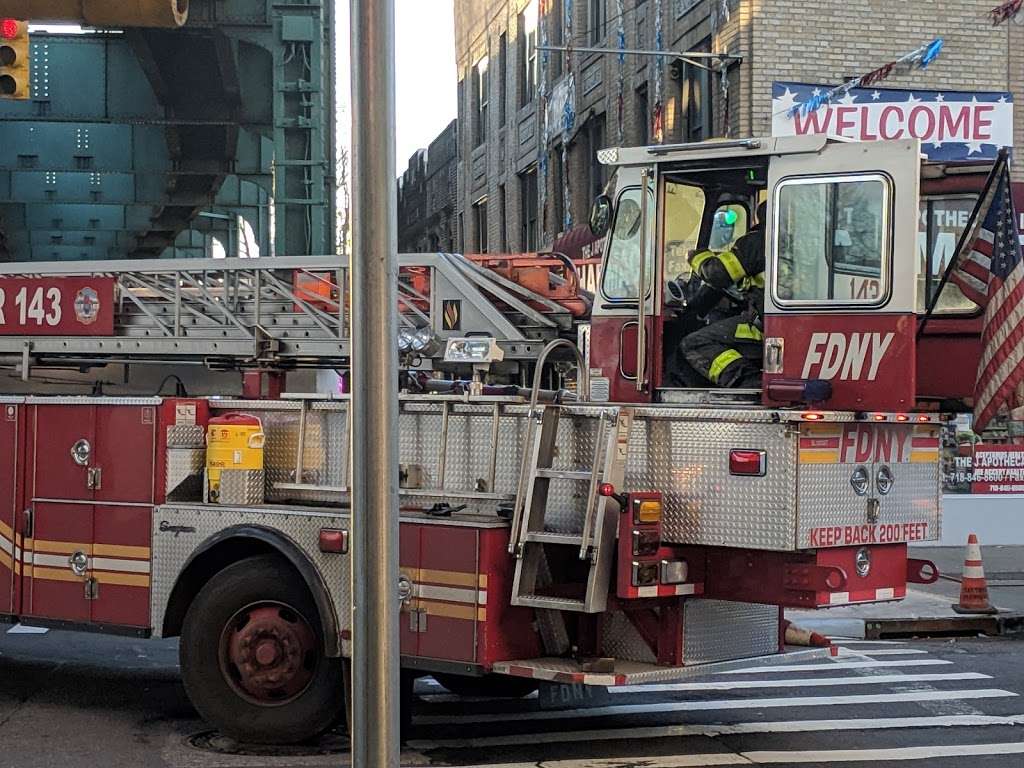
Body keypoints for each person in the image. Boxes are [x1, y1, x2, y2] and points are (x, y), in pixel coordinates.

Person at [678, 201, 766, 388]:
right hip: (773, 322)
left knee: (695, 343)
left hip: (764, 328)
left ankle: (750, 385)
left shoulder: (758, 241)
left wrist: (696, 257)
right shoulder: (791, 241)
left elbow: (717, 274)